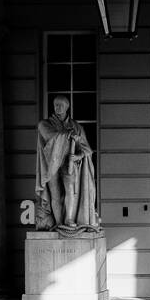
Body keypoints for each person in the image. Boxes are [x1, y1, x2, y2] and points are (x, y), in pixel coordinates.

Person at [34, 94, 101, 234]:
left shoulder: (77, 127)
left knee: (71, 191)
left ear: (67, 107)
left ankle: (69, 219)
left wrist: (78, 156)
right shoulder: (45, 124)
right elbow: (51, 137)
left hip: (69, 164)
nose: (58, 108)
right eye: (56, 105)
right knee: (55, 194)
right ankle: (59, 223)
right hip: (51, 165)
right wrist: (68, 136)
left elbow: (87, 149)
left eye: (61, 105)